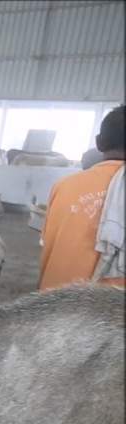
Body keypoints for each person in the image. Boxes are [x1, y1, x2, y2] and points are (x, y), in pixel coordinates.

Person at [37, 104, 125, 290]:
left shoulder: (64, 185)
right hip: (113, 312)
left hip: (55, 306)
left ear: (99, 143)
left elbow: (46, 244)